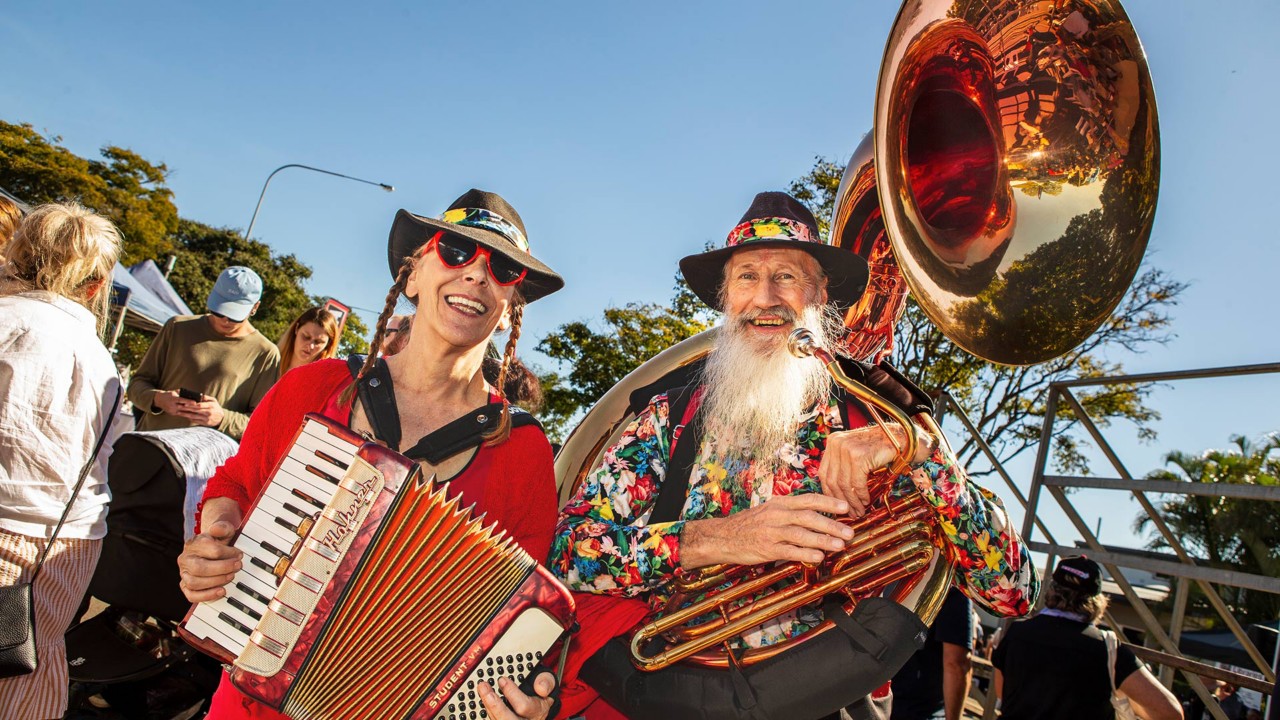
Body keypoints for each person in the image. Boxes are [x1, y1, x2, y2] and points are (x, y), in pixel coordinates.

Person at [549, 192, 1039, 720]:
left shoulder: (878, 421)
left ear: (819, 294)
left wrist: (921, 451)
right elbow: (566, 555)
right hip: (674, 693)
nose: (765, 298)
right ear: (725, 297)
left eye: (786, 276)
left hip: (822, 697)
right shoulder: (670, 417)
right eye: (746, 278)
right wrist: (717, 539)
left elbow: (1013, 593)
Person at [176, 189, 566, 720]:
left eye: (501, 268)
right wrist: (215, 535)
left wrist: (522, 702)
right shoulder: (313, 388)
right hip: (252, 698)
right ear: (411, 277)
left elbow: (516, 622)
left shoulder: (522, 449)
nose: (476, 274)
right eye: (454, 251)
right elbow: (237, 485)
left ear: (507, 313)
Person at [0, 203, 125, 719]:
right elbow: (108, 451)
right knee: (27, 669)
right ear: (95, 287)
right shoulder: (102, 360)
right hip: (66, 546)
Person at [992, 555, 1183, 720]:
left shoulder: (1017, 633)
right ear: (1097, 602)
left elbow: (1002, 692)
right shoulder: (1107, 650)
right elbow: (1171, 713)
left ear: (1051, 590)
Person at [126, 266, 281, 441]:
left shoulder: (265, 353)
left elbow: (261, 425)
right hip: (149, 446)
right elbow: (136, 386)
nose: (225, 319)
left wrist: (222, 418)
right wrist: (159, 399)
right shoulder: (177, 327)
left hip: (205, 462)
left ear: (255, 307)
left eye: (234, 314)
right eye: (220, 309)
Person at [890, 588, 975, 720]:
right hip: (922, 709)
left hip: (877, 701)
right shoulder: (954, 586)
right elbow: (956, 663)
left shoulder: (888, 574)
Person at [276, 305, 340, 374]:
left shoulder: (324, 381)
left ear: (328, 344)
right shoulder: (270, 361)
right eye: (306, 337)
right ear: (296, 328)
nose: (311, 345)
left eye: (318, 342)